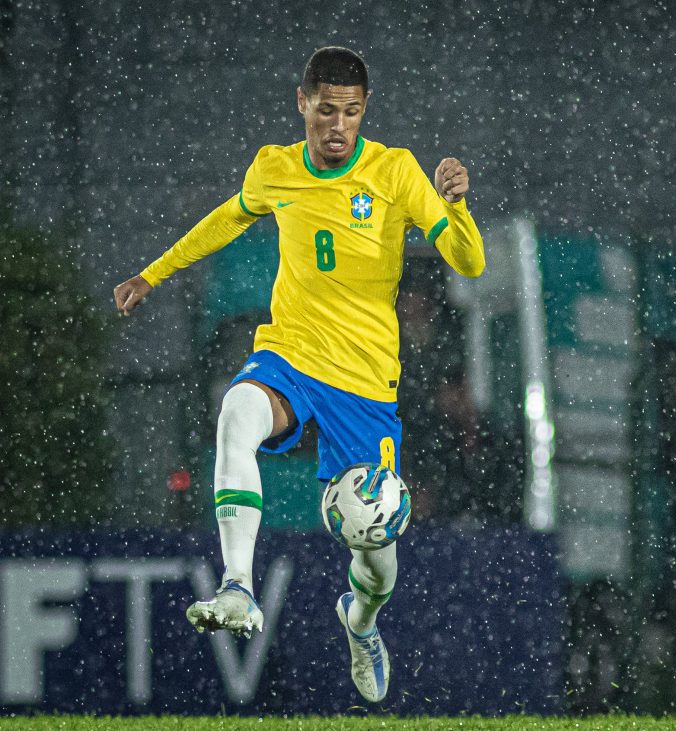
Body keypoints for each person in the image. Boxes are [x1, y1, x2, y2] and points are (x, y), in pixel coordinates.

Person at [112, 46, 485, 704]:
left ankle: (360, 620)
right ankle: (237, 585)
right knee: (237, 413)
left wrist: (456, 206)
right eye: (325, 111)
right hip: (292, 355)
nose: (337, 126)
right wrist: (153, 273)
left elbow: (469, 261)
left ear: (364, 110)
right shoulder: (276, 168)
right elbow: (226, 219)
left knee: (378, 559)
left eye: (350, 112)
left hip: (365, 385)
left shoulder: (395, 171)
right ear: (302, 103)